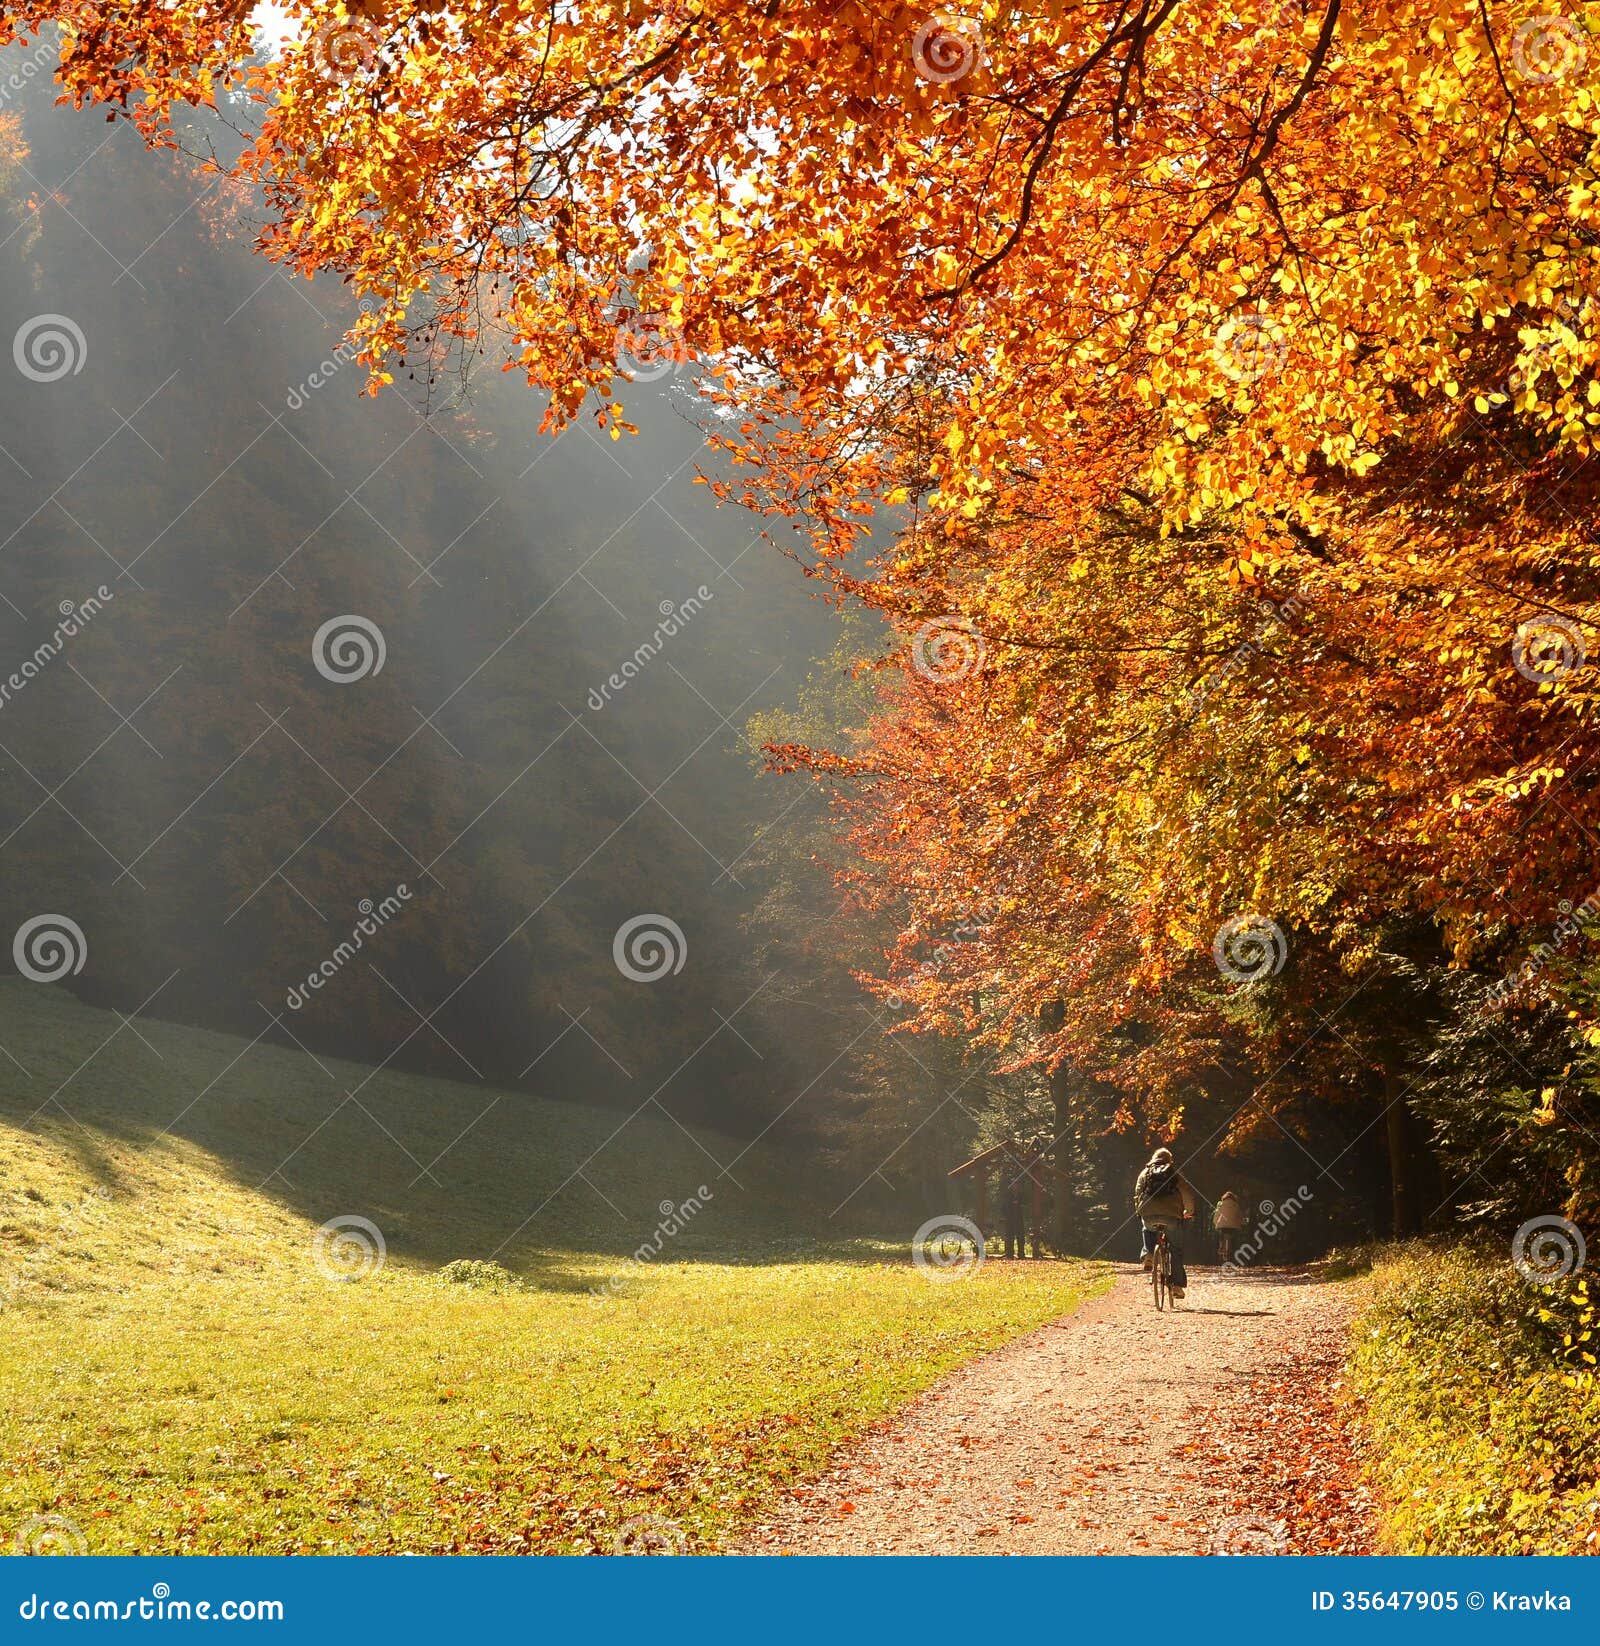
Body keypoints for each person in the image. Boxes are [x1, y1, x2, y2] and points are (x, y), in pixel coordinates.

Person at [1134, 1146, 1197, 1299]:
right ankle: (1176, 1286)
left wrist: (1139, 1211)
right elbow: (1187, 1193)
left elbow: (1137, 1194)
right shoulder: (1175, 1172)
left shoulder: (1145, 1172)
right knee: (1176, 1249)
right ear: (1170, 1160)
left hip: (1149, 1215)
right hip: (1172, 1216)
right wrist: (1189, 1211)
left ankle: (1148, 1254)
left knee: (1146, 1228)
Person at [1213, 1189, 1247, 1262]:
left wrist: (1216, 1223)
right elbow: (1240, 1216)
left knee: (1221, 1236)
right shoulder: (1236, 1205)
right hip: (1233, 1227)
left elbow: (1216, 1215)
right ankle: (1233, 1252)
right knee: (1233, 1238)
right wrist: (1241, 1224)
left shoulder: (1221, 1204)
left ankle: (1221, 1246)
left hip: (1222, 1226)